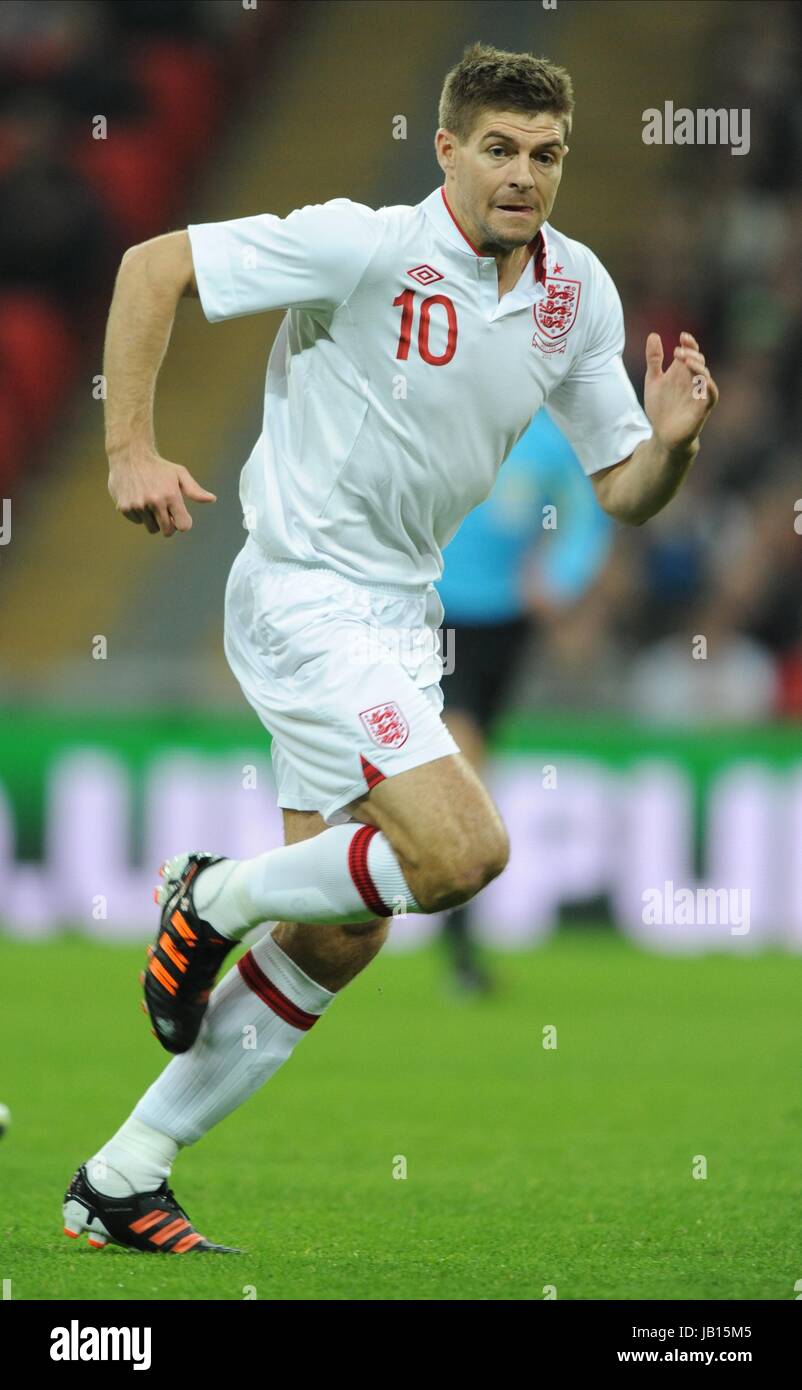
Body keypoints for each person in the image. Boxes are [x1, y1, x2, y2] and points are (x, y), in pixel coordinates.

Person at [64, 42, 718, 1254]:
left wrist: (670, 445)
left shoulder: (577, 294)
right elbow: (153, 266)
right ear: (448, 151)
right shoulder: (363, 242)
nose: (525, 175)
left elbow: (621, 489)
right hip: (305, 593)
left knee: (341, 932)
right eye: (501, 150)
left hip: (402, 617)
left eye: (547, 155)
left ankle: (123, 1169)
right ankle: (206, 898)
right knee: (464, 851)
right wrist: (126, 451)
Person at [437, 407, 613, 993]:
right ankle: (454, 919)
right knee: (465, 747)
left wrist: (559, 577)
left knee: (474, 758)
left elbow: (587, 517)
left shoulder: (547, 441)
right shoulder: (445, 412)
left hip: (506, 620)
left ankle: (451, 903)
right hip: (436, 611)